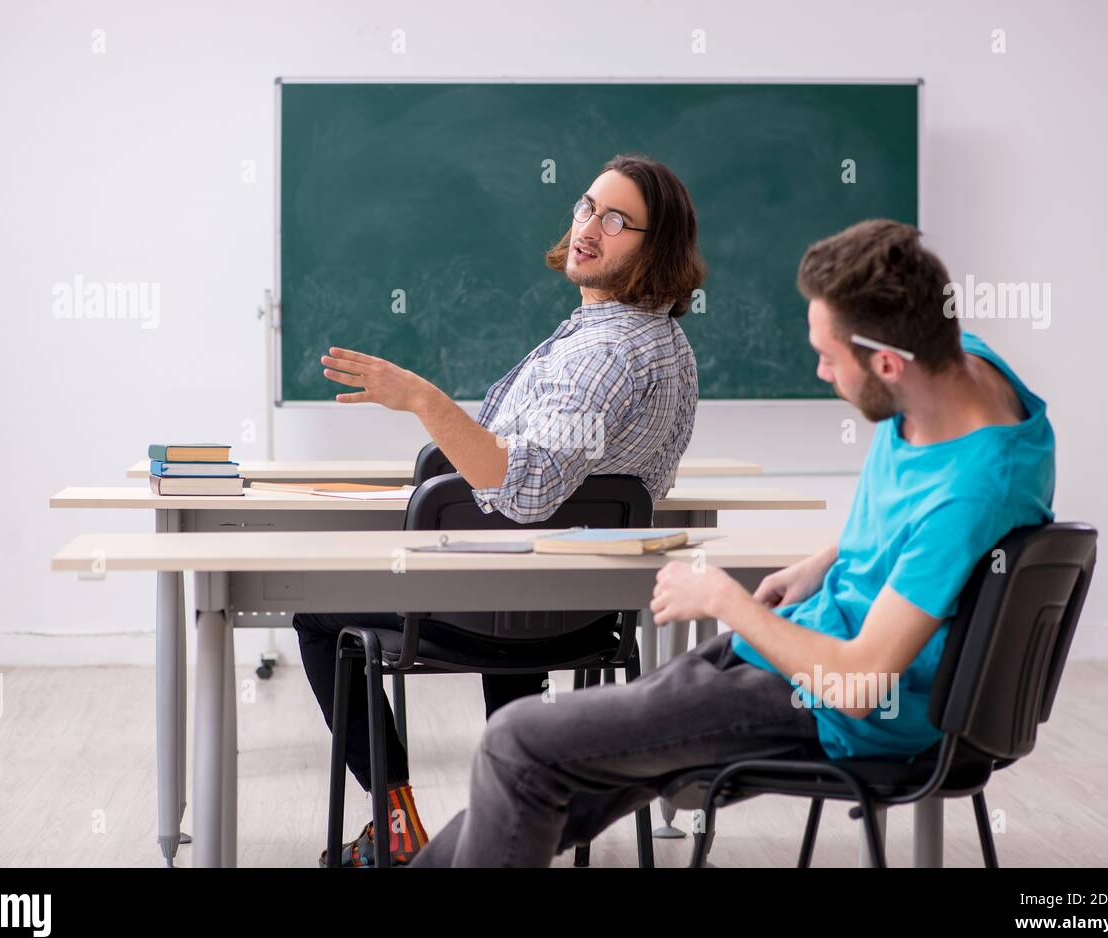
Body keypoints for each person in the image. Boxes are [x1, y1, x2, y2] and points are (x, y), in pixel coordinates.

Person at [410, 218, 1056, 867]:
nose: (820, 369)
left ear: (888, 364)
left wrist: (725, 598)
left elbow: (859, 683)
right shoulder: (956, 364)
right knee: (538, 774)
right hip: (796, 640)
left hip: (830, 707)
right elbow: (916, 521)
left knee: (515, 739)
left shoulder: (971, 492)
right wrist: (824, 560)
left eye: (830, 357)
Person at [294, 153, 706, 865]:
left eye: (617, 221)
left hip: (500, 603)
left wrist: (424, 399)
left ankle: (395, 824)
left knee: (317, 613)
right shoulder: (665, 344)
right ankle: (519, 813)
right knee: (518, 577)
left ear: (655, 246)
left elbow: (528, 489)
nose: (588, 227)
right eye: (586, 206)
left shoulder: (604, 353)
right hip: (583, 611)